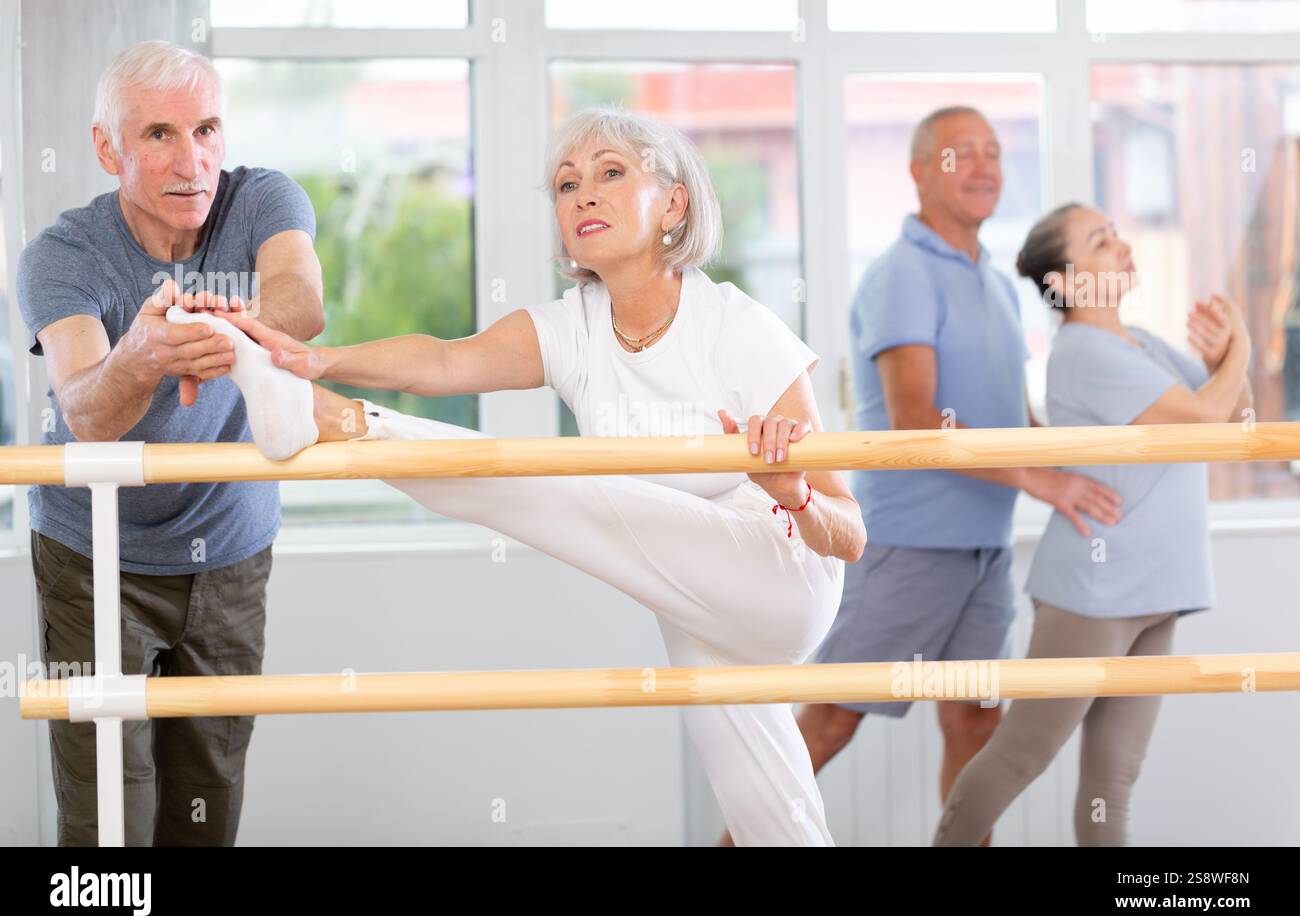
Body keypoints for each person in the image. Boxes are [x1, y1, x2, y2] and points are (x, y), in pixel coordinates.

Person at [177, 107, 867, 847]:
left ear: (674, 204)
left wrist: (795, 494)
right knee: (772, 812)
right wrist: (315, 359)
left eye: (610, 173)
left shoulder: (737, 326)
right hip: (689, 594)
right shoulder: (575, 327)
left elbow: (850, 534)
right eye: (567, 184)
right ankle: (324, 404)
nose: (583, 194)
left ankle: (350, 423)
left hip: (780, 573)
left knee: (569, 486)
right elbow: (446, 360)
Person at [17, 40, 323, 845]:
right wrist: (145, 354)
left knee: (207, 800)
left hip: (228, 548)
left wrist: (192, 328)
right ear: (107, 147)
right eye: (160, 135)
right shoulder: (63, 254)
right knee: (108, 813)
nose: (194, 163)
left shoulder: (261, 199)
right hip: (95, 560)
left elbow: (301, 304)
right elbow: (89, 413)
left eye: (207, 130)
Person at [800, 107, 1122, 843]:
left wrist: (1084, 460)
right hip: (907, 547)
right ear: (919, 172)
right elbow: (918, 417)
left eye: (994, 152)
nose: (982, 167)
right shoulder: (903, 273)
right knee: (831, 722)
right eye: (960, 154)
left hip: (984, 549)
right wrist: (1041, 482)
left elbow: (1012, 418)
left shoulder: (996, 283)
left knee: (975, 722)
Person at [934, 203, 1253, 846]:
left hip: (1158, 590)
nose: (1121, 246)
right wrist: (1240, 346)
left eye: (1115, 234)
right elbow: (1199, 419)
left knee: (1113, 782)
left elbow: (1235, 417)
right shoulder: (1082, 353)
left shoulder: (1144, 345)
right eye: (1100, 241)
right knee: (1018, 759)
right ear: (1066, 282)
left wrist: (1225, 361)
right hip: (1095, 595)